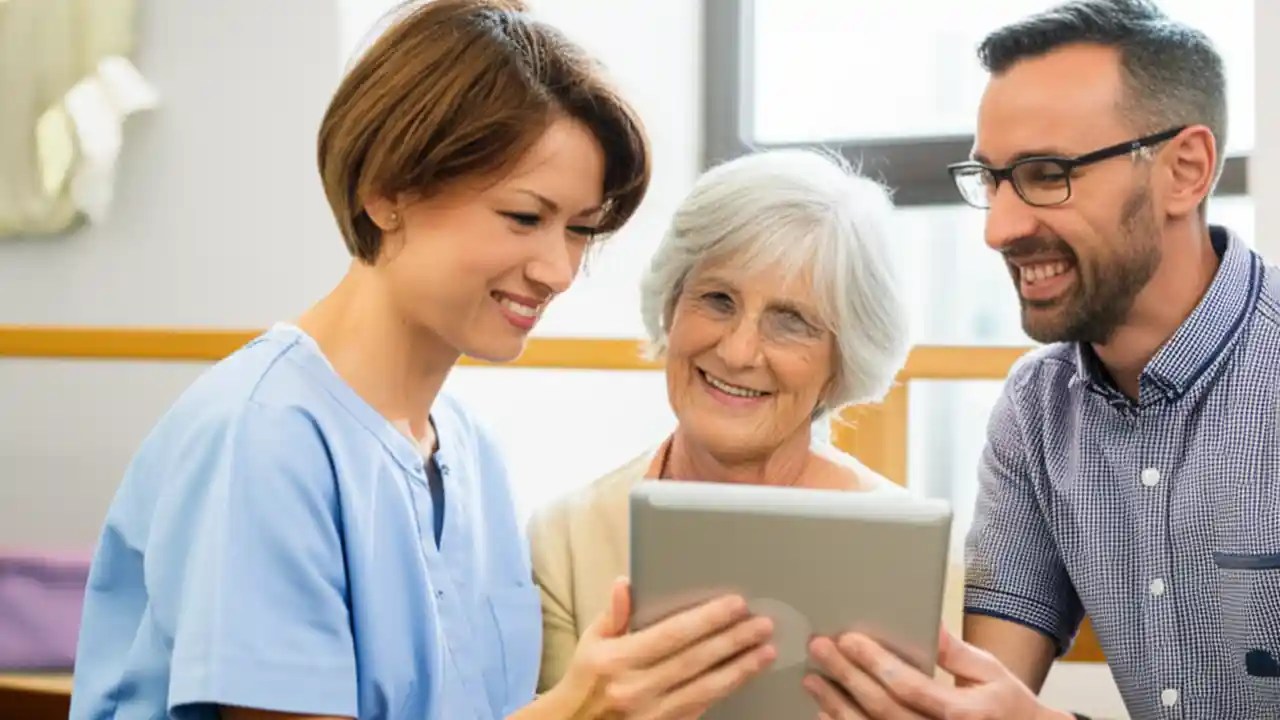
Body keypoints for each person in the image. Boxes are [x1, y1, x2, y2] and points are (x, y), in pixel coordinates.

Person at [67, 2, 779, 719]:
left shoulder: (470, 453)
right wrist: (576, 711)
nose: (559, 270)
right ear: (387, 192)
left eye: (582, 231)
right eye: (525, 217)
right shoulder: (262, 438)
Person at [802, 1, 1280, 719]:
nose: (1000, 228)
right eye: (991, 179)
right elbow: (984, 695)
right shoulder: (1036, 412)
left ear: (1185, 170)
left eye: (1047, 174)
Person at [528, 148, 963, 695]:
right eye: (717, 300)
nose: (737, 351)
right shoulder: (567, 538)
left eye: (792, 322)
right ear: (671, 307)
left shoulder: (917, 560)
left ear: (843, 362)